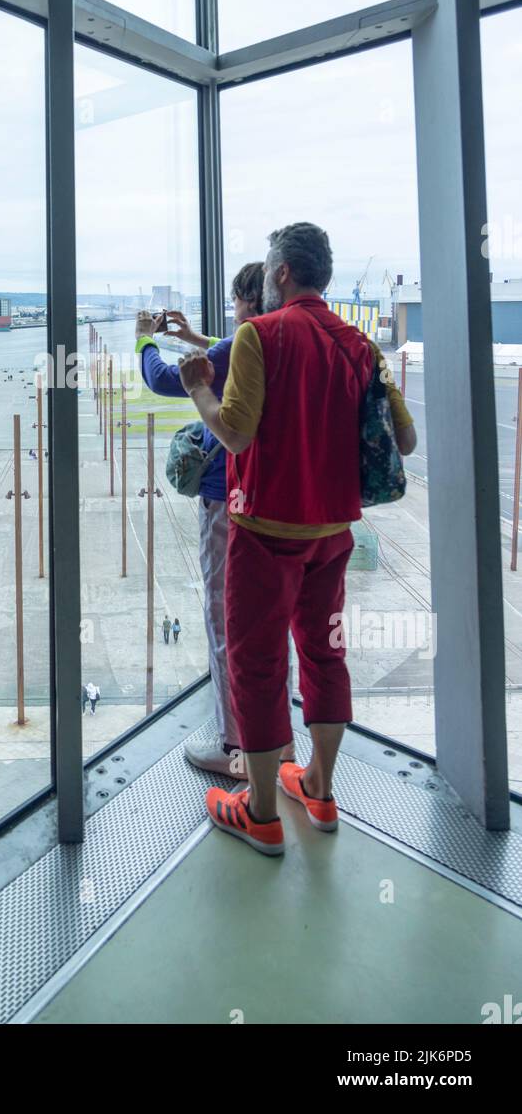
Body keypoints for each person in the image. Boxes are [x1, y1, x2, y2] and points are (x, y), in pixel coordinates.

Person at [180, 222, 416, 857]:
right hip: (333, 534)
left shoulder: (261, 334)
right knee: (324, 653)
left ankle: (259, 812)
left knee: (256, 665)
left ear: (282, 273)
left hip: (264, 534)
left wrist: (199, 383)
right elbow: (406, 442)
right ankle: (320, 786)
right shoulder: (360, 345)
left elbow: (234, 435)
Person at [137, 264, 285, 779]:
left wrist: (144, 343)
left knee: (224, 622)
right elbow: (223, 353)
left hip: (228, 502)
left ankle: (235, 745)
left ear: (248, 300)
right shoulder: (279, 341)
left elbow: (162, 380)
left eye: (236, 300)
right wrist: (194, 337)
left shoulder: (244, 342)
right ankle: (275, 739)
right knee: (270, 625)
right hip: (274, 503)